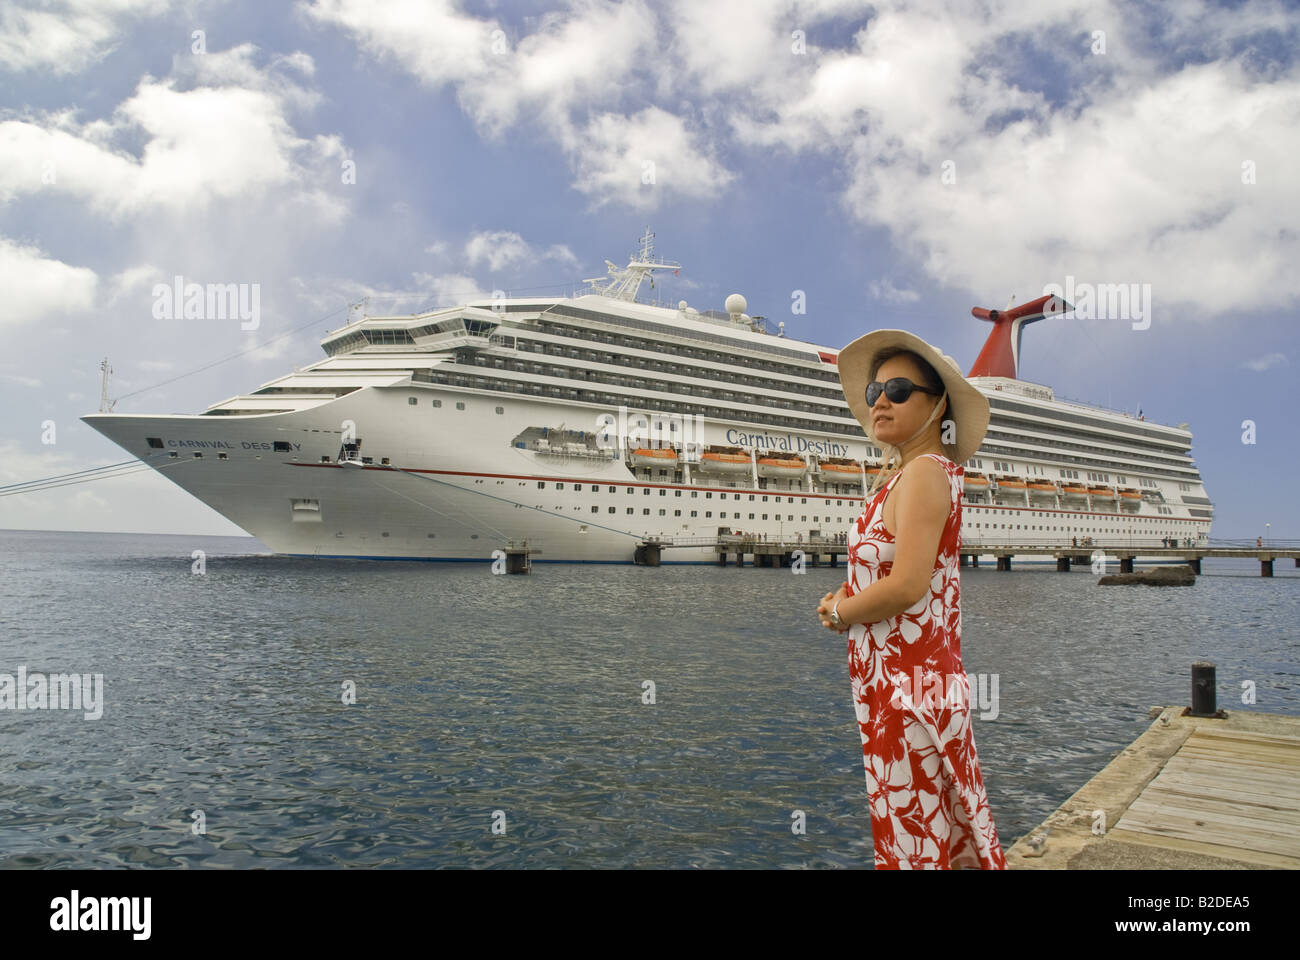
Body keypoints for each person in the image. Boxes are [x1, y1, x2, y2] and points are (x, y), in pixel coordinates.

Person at [816, 330, 1005, 870]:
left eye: (898, 389)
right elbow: (897, 575)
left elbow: (908, 586)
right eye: (876, 387)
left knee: (917, 833)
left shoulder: (923, 473)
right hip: (894, 683)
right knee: (932, 825)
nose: (879, 399)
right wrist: (851, 596)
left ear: (937, 403)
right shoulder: (905, 475)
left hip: (909, 689)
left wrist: (839, 612)